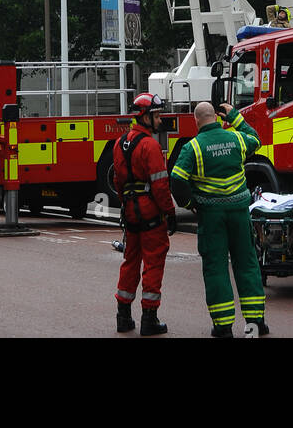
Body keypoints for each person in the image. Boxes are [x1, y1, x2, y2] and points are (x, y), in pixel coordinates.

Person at [171, 100, 267, 338]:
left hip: (211, 215)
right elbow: (255, 138)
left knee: (216, 268)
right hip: (239, 212)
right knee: (247, 264)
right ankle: (256, 323)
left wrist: (190, 203)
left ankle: (223, 326)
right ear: (216, 117)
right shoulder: (236, 138)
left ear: (196, 120)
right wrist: (235, 116)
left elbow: (177, 180)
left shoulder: (192, 148)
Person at [113, 92, 176, 336]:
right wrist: (170, 212)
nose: (159, 119)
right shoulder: (150, 145)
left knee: (130, 261)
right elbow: (160, 185)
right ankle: (149, 319)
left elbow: (118, 181)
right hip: (150, 211)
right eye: (156, 115)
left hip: (130, 211)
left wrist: (126, 203)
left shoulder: (120, 144)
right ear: (145, 116)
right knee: (153, 261)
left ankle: (123, 316)